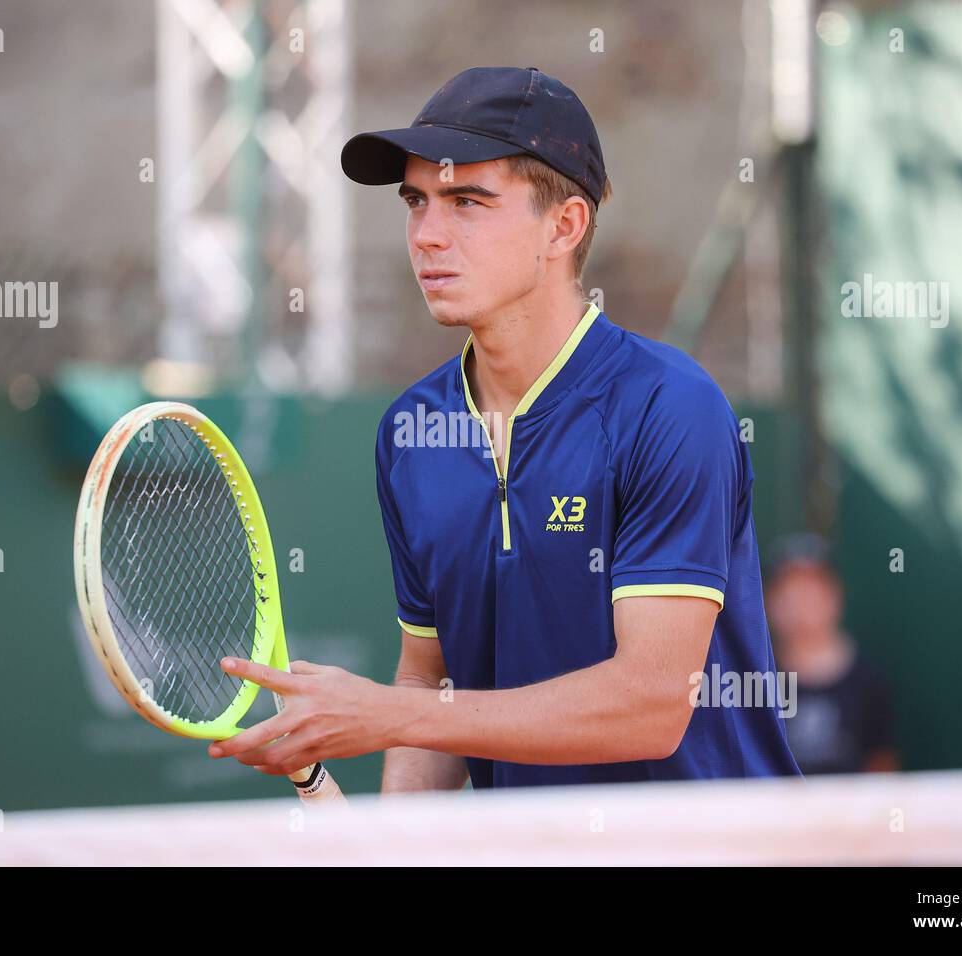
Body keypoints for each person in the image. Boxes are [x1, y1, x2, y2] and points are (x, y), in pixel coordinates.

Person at [208, 66, 801, 789]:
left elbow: (649, 704)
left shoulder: (670, 406)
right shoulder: (411, 434)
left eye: (466, 201)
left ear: (564, 225)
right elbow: (429, 684)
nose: (427, 235)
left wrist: (386, 714)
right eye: (416, 201)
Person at [766, 534, 899, 775]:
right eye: (789, 593)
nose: (800, 605)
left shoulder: (868, 682)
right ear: (770, 602)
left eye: (811, 592)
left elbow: (881, 767)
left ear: (834, 597)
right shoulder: (755, 681)